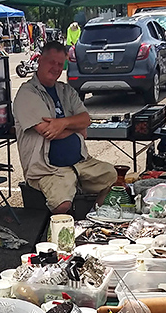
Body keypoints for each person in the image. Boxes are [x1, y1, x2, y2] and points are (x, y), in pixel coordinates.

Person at [13, 41, 116, 214]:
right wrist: (76, 128)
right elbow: (49, 132)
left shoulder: (65, 90)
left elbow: (85, 120)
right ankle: (57, 233)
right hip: (48, 170)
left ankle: (94, 219)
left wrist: (63, 123)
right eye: (51, 62)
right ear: (39, 61)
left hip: (80, 162)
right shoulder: (27, 93)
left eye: (60, 64)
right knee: (62, 203)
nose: (56, 67)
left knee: (113, 177)